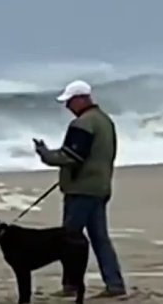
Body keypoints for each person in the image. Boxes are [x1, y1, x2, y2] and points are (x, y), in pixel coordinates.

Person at [34, 80, 127, 299]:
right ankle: (115, 284)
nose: (67, 106)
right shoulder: (105, 121)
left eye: (69, 101)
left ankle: (71, 285)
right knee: (99, 238)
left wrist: (45, 154)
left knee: (69, 239)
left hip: (81, 190)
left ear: (81, 99)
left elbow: (71, 157)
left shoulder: (83, 124)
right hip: (100, 186)